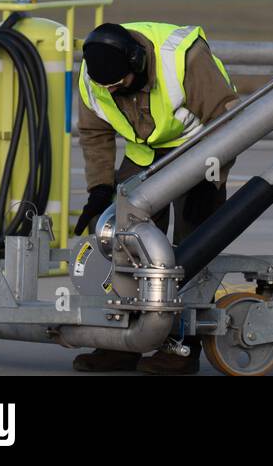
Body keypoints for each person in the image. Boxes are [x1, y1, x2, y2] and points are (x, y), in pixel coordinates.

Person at [71, 21, 238, 374]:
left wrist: (211, 179)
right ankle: (124, 341)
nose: (114, 92)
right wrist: (100, 189)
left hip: (198, 148)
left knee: (192, 245)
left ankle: (182, 347)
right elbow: (93, 132)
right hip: (145, 154)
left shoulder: (184, 58)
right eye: (109, 88)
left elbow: (229, 121)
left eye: (121, 85)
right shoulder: (93, 75)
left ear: (136, 61)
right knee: (122, 239)